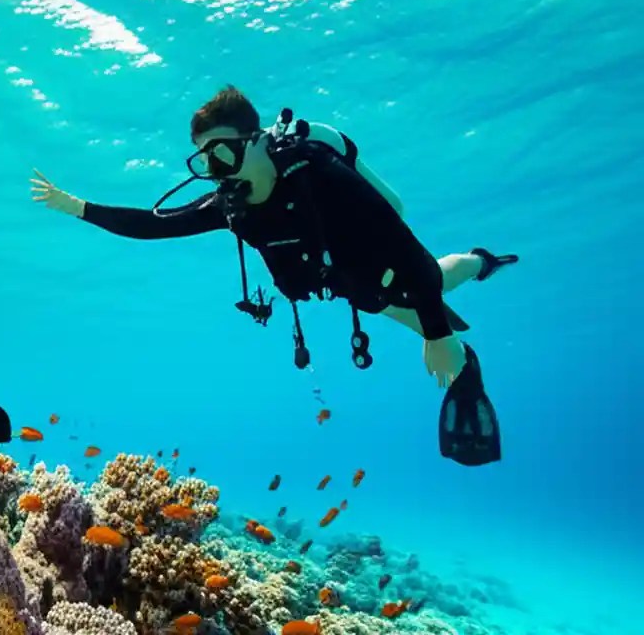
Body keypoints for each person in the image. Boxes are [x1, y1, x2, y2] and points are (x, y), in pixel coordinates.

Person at [31, 86, 518, 466]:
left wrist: (435, 332)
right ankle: (461, 324)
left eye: (222, 153)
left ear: (257, 139)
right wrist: (75, 207)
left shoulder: (320, 174)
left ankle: (478, 263)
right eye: (204, 160)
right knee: (421, 311)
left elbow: (407, 251)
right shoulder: (231, 205)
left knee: (433, 286)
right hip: (344, 287)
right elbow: (153, 226)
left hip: (384, 270)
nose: (216, 171)